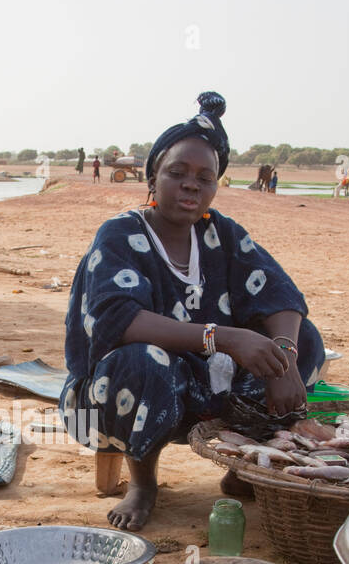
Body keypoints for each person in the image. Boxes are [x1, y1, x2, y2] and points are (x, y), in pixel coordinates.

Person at [59, 92, 325, 533]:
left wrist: (284, 353)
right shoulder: (120, 234)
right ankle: (144, 482)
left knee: (305, 339)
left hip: (212, 383)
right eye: (177, 173)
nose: (191, 185)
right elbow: (116, 319)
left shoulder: (223, 233)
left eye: (205, 177)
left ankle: (242, 468)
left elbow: (278, 294)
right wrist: (223, 336)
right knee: (144, 359)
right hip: (126, 389)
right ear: (152, 178)